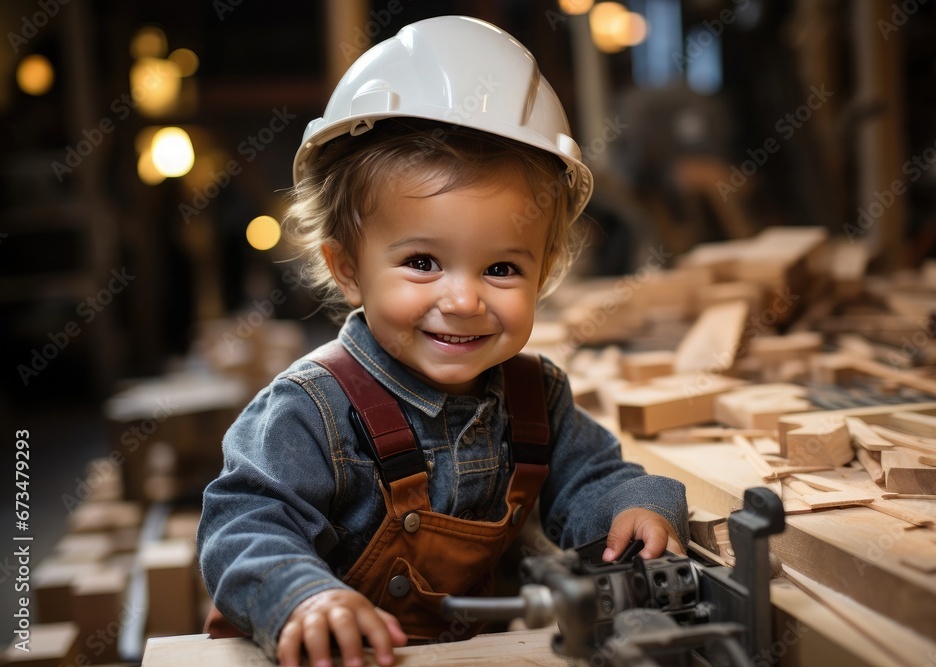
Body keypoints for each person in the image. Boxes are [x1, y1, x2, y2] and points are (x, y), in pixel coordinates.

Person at [197, 15, 689, 667]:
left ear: (545, 271)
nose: (463, 300)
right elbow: (242, 524)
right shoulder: (308, 411)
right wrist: (303, 597)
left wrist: (634, 507)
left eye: (502, 268)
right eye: (423, 262)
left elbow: (592, 478)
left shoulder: (535, 397)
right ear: (348, 268)